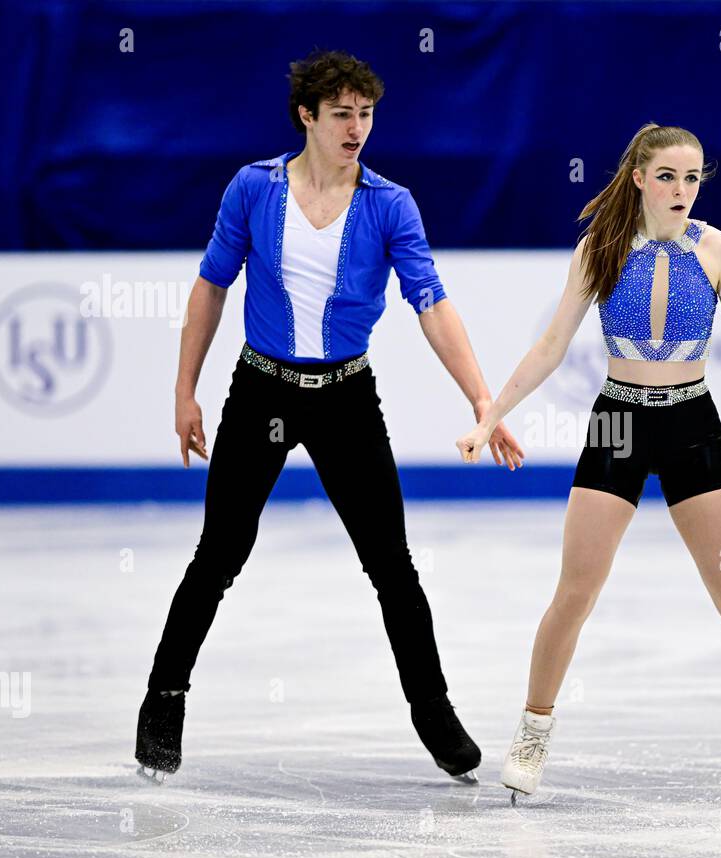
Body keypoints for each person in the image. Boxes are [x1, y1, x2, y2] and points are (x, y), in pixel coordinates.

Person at [135, 50, 523, 784]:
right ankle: (163, 700)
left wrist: (483, 398)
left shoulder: (390, 203)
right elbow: (211, 286)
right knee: (217, 557)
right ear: (306, 117)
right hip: (261, 393)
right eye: (341, 113)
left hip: (346, 399)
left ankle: (432, 711)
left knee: (393, 566)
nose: (357, 127)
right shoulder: (253, 189)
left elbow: (431, 302)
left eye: (366, 113)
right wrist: (184, 391)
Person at [456, 123, 721, 803]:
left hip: (692, 424)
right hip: (621, 424)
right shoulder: (598, 249)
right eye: (667, 176)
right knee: (576, 590)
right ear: (638, 178)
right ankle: (532, 733)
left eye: (692, 178)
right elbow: (549, 347)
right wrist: (490, 417)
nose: (681, 190)